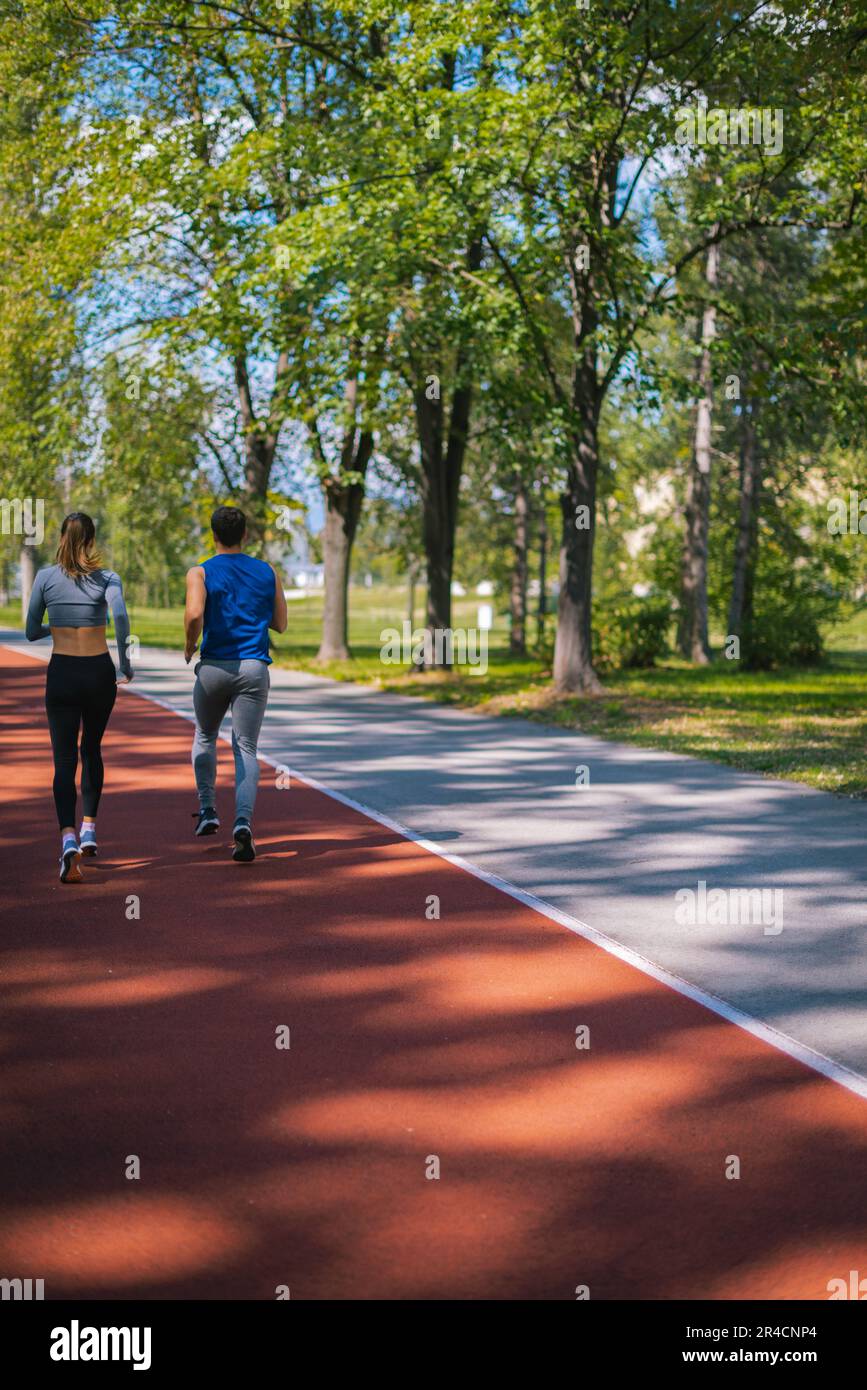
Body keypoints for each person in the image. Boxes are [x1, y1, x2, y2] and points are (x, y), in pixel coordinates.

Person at [25, 512, 134, 882]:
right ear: (91, 540)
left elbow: (30, 631)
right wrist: (125, 664)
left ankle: (68, 839)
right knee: (92, 750)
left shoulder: (44, 578)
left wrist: (57, 624)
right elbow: (120, 618)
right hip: (99, 673)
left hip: (62, 674)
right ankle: (89, 828)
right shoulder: (108, 578)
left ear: (61, 537)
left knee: (63, 760)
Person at [184, 505, 287, 863]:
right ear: (245, 534)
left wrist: (189, 645)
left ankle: (207, 809)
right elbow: (280, 623)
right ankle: (242, 823)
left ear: (213, 534)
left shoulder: (200, 572)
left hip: (214, 667)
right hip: (254, 669)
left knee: (204, 735)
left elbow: (195, 614)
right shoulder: (267, 571)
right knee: (245, 747)